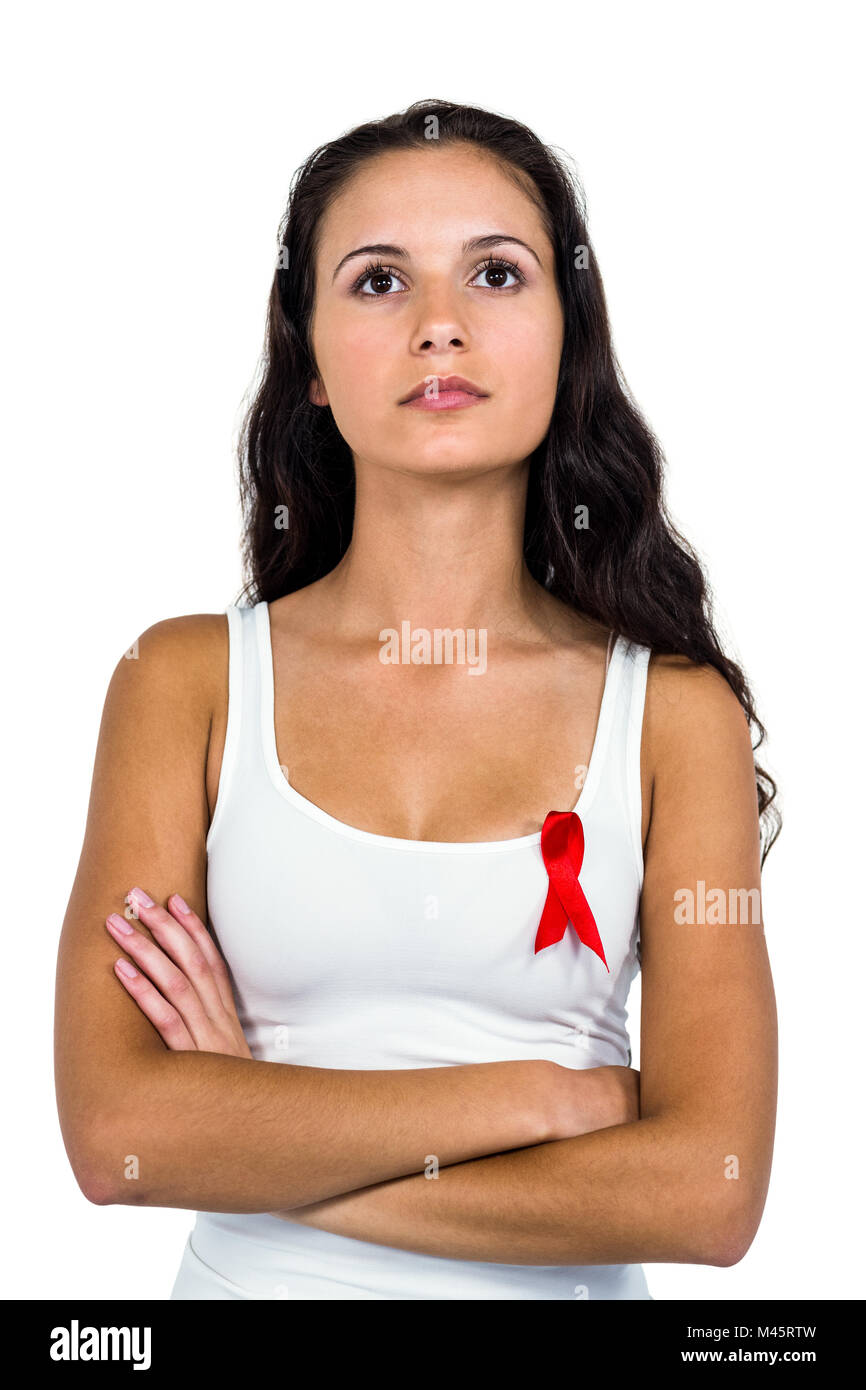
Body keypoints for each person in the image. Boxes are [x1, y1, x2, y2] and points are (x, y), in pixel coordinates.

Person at [54, 99, 779, 1300]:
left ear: (566, 337)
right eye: (379, 281)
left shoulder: (670, 713)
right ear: (311, 362)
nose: (439, 325)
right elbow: (116, 1133)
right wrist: (540, 1098)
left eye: (494, 273)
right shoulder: (180, 683)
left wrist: (253, 1127)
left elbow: (706, 1194)